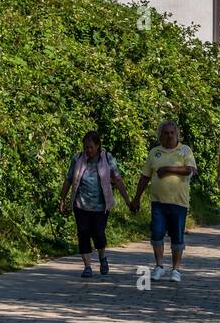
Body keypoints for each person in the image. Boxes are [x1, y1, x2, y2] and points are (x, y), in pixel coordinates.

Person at [130, 120, 197, 283]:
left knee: (177, 237)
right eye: (166, 133)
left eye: (172, 133)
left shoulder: (184, 150)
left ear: (177, 134)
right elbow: (145, 176)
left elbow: (191, 170)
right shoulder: (155, 152)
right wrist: (137, 198)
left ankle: (176, 269)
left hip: (179, 203)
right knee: (157, 233)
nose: (169, 136)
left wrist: (168, 169)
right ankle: (159, 266)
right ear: (160, 135)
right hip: (158, 202)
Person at [59, 131, 133, 278]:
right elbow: (68, 179)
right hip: (80, 205)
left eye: (91, 147)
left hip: (101, 206)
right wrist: (62, 199)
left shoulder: (107, 158)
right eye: (85, 147)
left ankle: (102, 257)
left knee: (98, 233)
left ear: (98, 146)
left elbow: (117, 179)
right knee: (83, 233)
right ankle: (87, 267)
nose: (88, 150)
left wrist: (128, 201)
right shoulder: (78, 159)